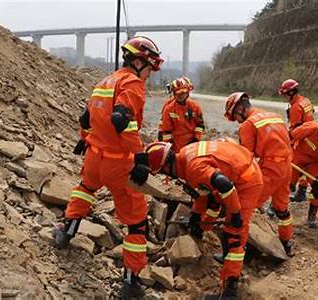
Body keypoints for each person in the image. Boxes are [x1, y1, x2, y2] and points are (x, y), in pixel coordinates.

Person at [52, 36, 163, 298]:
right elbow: (122, 120)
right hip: (118, 162)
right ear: (138, 61)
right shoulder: (132, 84)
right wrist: (140, 157)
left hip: (94, 157)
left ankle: (66, 233)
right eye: (149, 67)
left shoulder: (105, 81)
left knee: (85, 189)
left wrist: (83, 139)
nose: (149, 74)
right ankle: (130, 281)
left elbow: (86, 117)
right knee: (136, 223)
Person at [144, 140, 263, 299]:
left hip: (247, 181)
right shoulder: (185, 155)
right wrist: (196, 216)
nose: (166, 177)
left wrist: (234, 214)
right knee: (214, 202)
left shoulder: (193, 168)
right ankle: (219, 246)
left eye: (162, 172)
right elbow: (203, 192)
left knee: (234, 235)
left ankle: (229, 291)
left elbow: (224, 184)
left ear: (166, 167)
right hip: (240, 170)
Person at [224, 92, 293, 255]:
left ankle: (240, 251)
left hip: (271, 170)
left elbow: (246, 157)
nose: (237, 121)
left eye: (235, 116)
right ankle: (286, 244)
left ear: (240, 109)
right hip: (287, 166)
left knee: (244, 208)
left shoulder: (248, 125)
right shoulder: (273, 116)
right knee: (282, 210)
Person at [158, 76, 205, 152]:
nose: (181, 95)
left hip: (192, 145)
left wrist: (195, 139)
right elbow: (166, 131)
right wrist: (169, 148)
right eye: (178, 93)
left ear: (188, 91)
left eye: (184, 92)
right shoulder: (169, 109)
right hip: (175, 146)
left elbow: (200, 126)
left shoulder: (195, 107)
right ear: (174, 93)